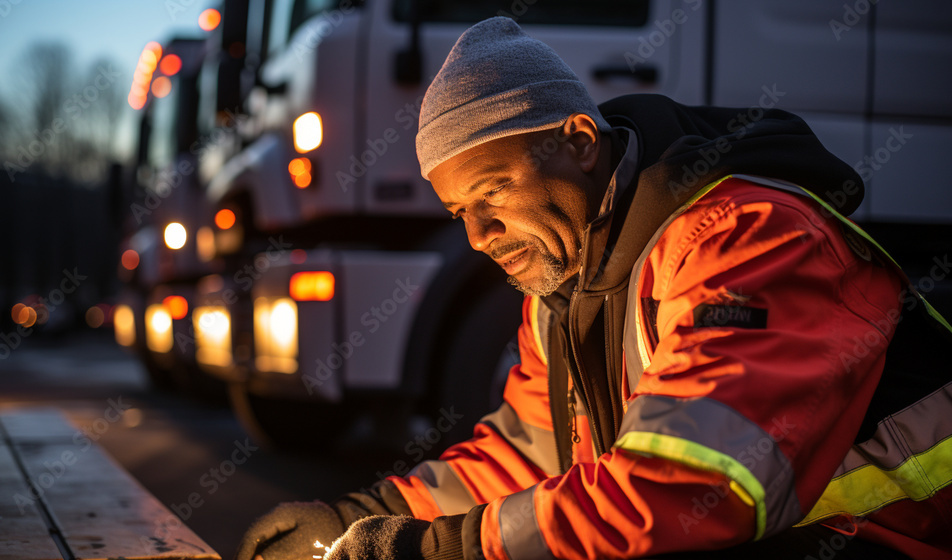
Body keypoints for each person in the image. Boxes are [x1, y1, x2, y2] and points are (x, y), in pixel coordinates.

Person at [235, 17, 952, 560]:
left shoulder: (748, 237)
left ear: (579, 141)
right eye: (460, 213)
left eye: (494, 194)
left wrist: (430, 548)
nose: (478, 236)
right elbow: (530, 452)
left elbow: (691, 490)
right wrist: (364, 512)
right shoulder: (567, 284)